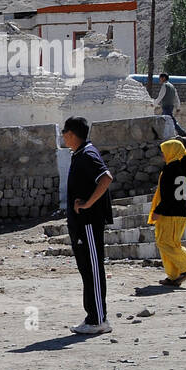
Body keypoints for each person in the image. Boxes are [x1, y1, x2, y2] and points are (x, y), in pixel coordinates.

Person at [62, 116, 114, 335]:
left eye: (64, 133)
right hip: (82, 225)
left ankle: (99, 319)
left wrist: (89, 203)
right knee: (87, 270)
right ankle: (92, 316)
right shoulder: (80, 154)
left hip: (89, 224)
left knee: (93, 269)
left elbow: (106, 177)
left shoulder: (88, 154)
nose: (63, 137)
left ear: (72, 134)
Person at [148, 138, 186, 287]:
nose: (162, 155)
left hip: (171, 213)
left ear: (171, 151)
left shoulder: (170, 169)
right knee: (171, 243)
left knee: (164, 242)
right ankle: (173, 276)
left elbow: (168, 195)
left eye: (164, 152)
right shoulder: (180, 168)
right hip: (179, 212)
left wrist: (157, 211)